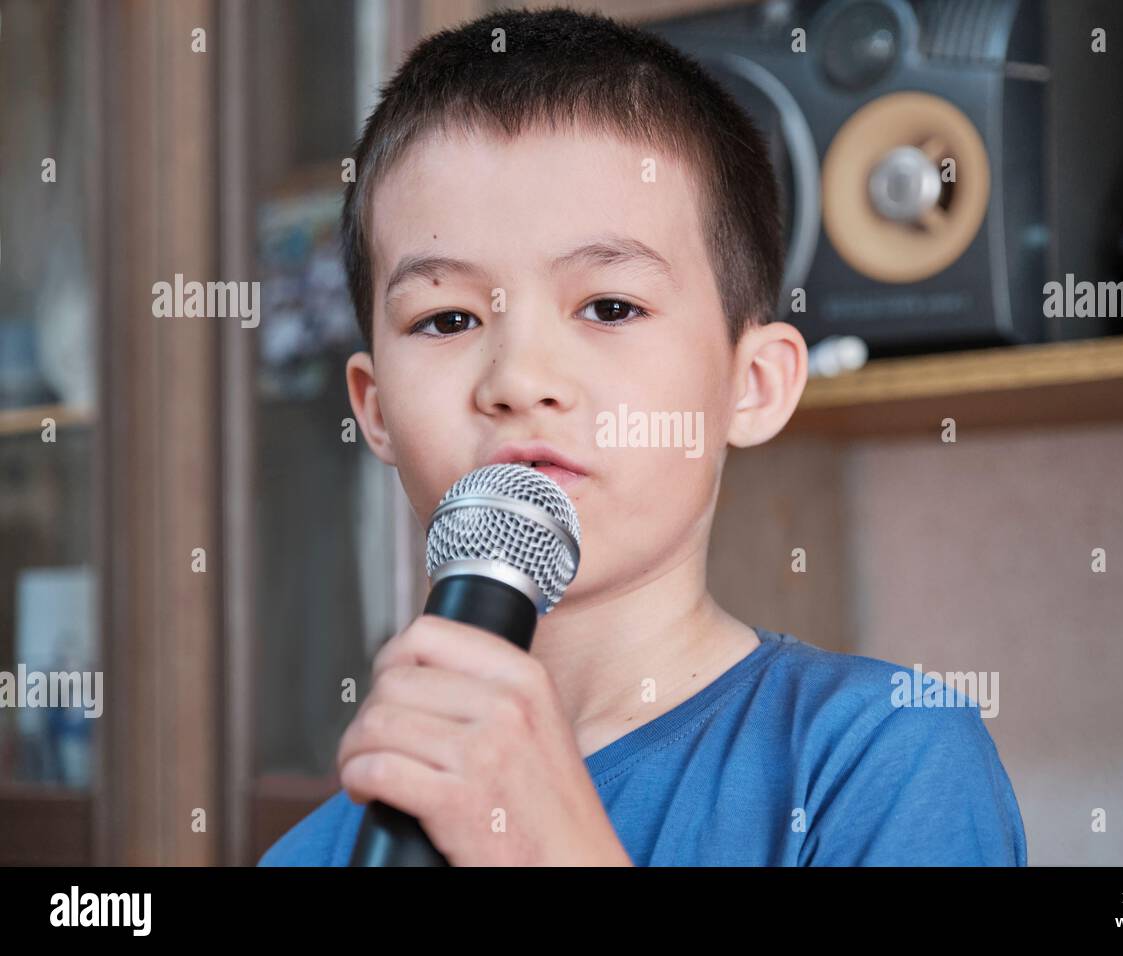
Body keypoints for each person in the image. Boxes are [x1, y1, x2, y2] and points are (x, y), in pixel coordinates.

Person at [259, 6, 1027, 867]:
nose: (518, 379)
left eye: (610, 307)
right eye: (446, 318)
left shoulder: (880, 756)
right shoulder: (313, 854)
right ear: (373, 407)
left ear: (755, 384)